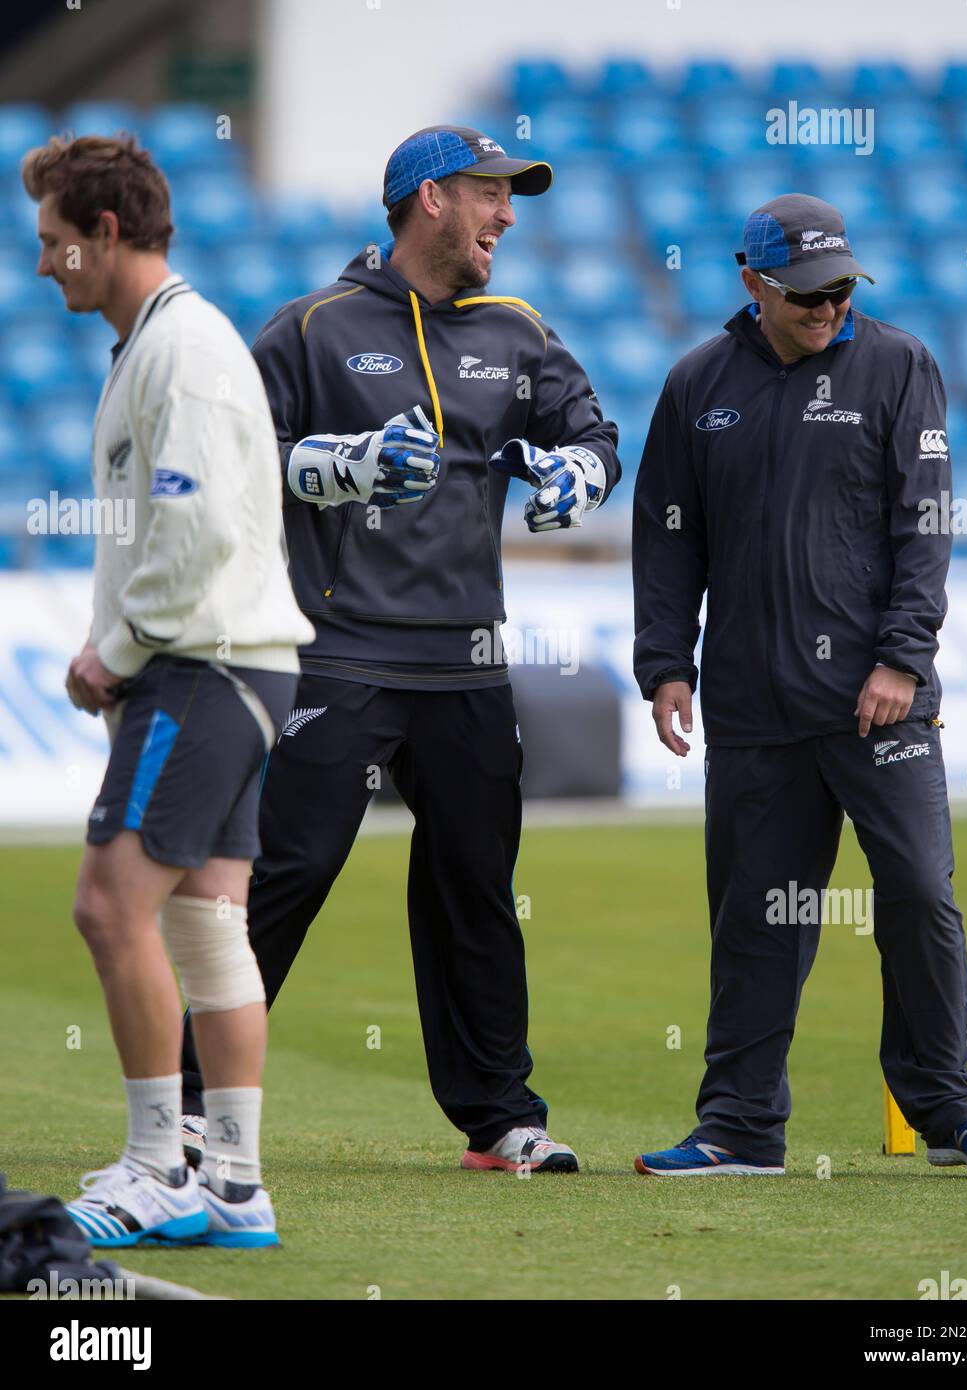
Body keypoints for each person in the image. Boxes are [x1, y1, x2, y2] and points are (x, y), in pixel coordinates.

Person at [179, 125, 621, 1174]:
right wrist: (335, 463)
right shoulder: (312, 327)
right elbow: (226, 458)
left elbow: (596, 434)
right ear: (430, 199)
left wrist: (575, 477)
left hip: (468, 658)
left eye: (511, 198)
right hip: (335, 652)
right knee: (286, 869)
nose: (506, 217)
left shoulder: (518, 329)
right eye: (490, 196)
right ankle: (190, 1104)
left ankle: (500, 1117)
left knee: (477, 883)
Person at [631, 193, 967, 1177]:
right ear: (750, 282)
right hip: (750, 704)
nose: (826, 310)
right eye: (807, 295)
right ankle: (737, 1127)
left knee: (916, 899)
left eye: (841, 290)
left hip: (879, 699)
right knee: (756, 916)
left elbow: (921, 524)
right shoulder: (695, 384)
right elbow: (666, 540)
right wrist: (662, 663)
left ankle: (947, 1113)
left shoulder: (898, 365)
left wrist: (902, 656)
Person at [23, 133, 319, 1244]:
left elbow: (190, 531)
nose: (43, 262)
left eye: (54, 242)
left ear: (105, 233)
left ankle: (159, 1164)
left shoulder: (180, 350)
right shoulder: (160, 342)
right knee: (205, 925)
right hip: (229, 663)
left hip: (202, 663)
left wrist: (120, 646)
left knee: (109, 906)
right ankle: (234, 1186)